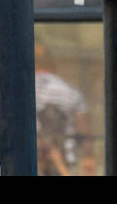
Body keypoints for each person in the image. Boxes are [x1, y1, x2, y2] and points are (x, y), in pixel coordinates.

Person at [34, 40, 89, 174]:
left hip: (32, 159)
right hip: (65, 159)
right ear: (52, 64)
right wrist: (88, 155)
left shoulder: (20, 91)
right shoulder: (71, 92)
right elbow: (84, 130)